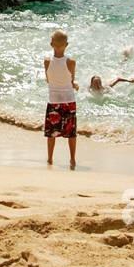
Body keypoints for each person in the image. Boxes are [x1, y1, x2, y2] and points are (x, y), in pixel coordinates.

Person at [44, 29, 79, 169]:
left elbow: (48, 80)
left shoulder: (47, 62)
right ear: (67, 44)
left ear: (51, 43)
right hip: (68, 101)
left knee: (51, 133)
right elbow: (71, 80)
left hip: (53, 101)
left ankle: (50, 159)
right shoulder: (71, 62)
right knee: (71, 133)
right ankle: (72, 160)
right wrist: (74, 85)